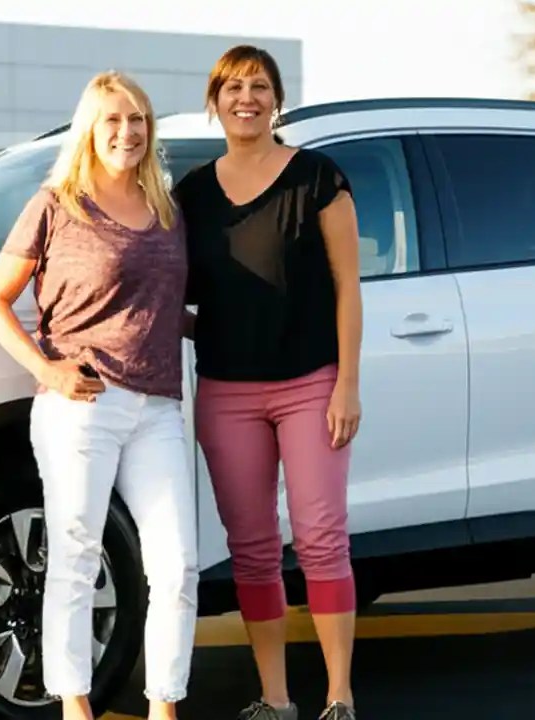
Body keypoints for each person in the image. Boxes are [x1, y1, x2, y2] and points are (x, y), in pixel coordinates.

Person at [0, 70, 199, 720]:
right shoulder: (56, 204)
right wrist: (47, 371)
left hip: (158, 406)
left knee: (179, 565)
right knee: (75, 558)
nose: (126, 133)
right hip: (83, 405)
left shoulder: (166, 210)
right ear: (90, 130)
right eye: (112, 121)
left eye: (137, 121)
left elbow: (160, 307)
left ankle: (165, 707)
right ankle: (76, 707)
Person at [174, 45, 364, 720]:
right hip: (227, 393)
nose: (245, 97)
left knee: (319, 538)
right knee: (251, 549)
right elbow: (172, 290)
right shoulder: (192, 192)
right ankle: (276, 698)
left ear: (275, 100)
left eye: (258, 85)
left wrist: (347, 384)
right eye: (232, 87)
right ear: (215, 101)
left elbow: (348, 287)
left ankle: (339, 696)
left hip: (311, 383)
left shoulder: (316, 177)